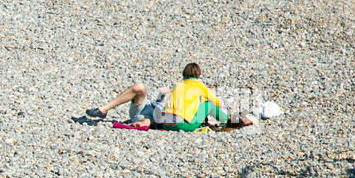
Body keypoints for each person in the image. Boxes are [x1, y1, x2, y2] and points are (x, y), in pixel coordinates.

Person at [87, 62, 254, 131]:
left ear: (183, 75)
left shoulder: (179, 85)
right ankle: (232, 120)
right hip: (180, 125)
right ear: (198, 75)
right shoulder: (199, 86)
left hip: (164, 123)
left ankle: (106, 110)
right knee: (209, 106)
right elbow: (217, 102)